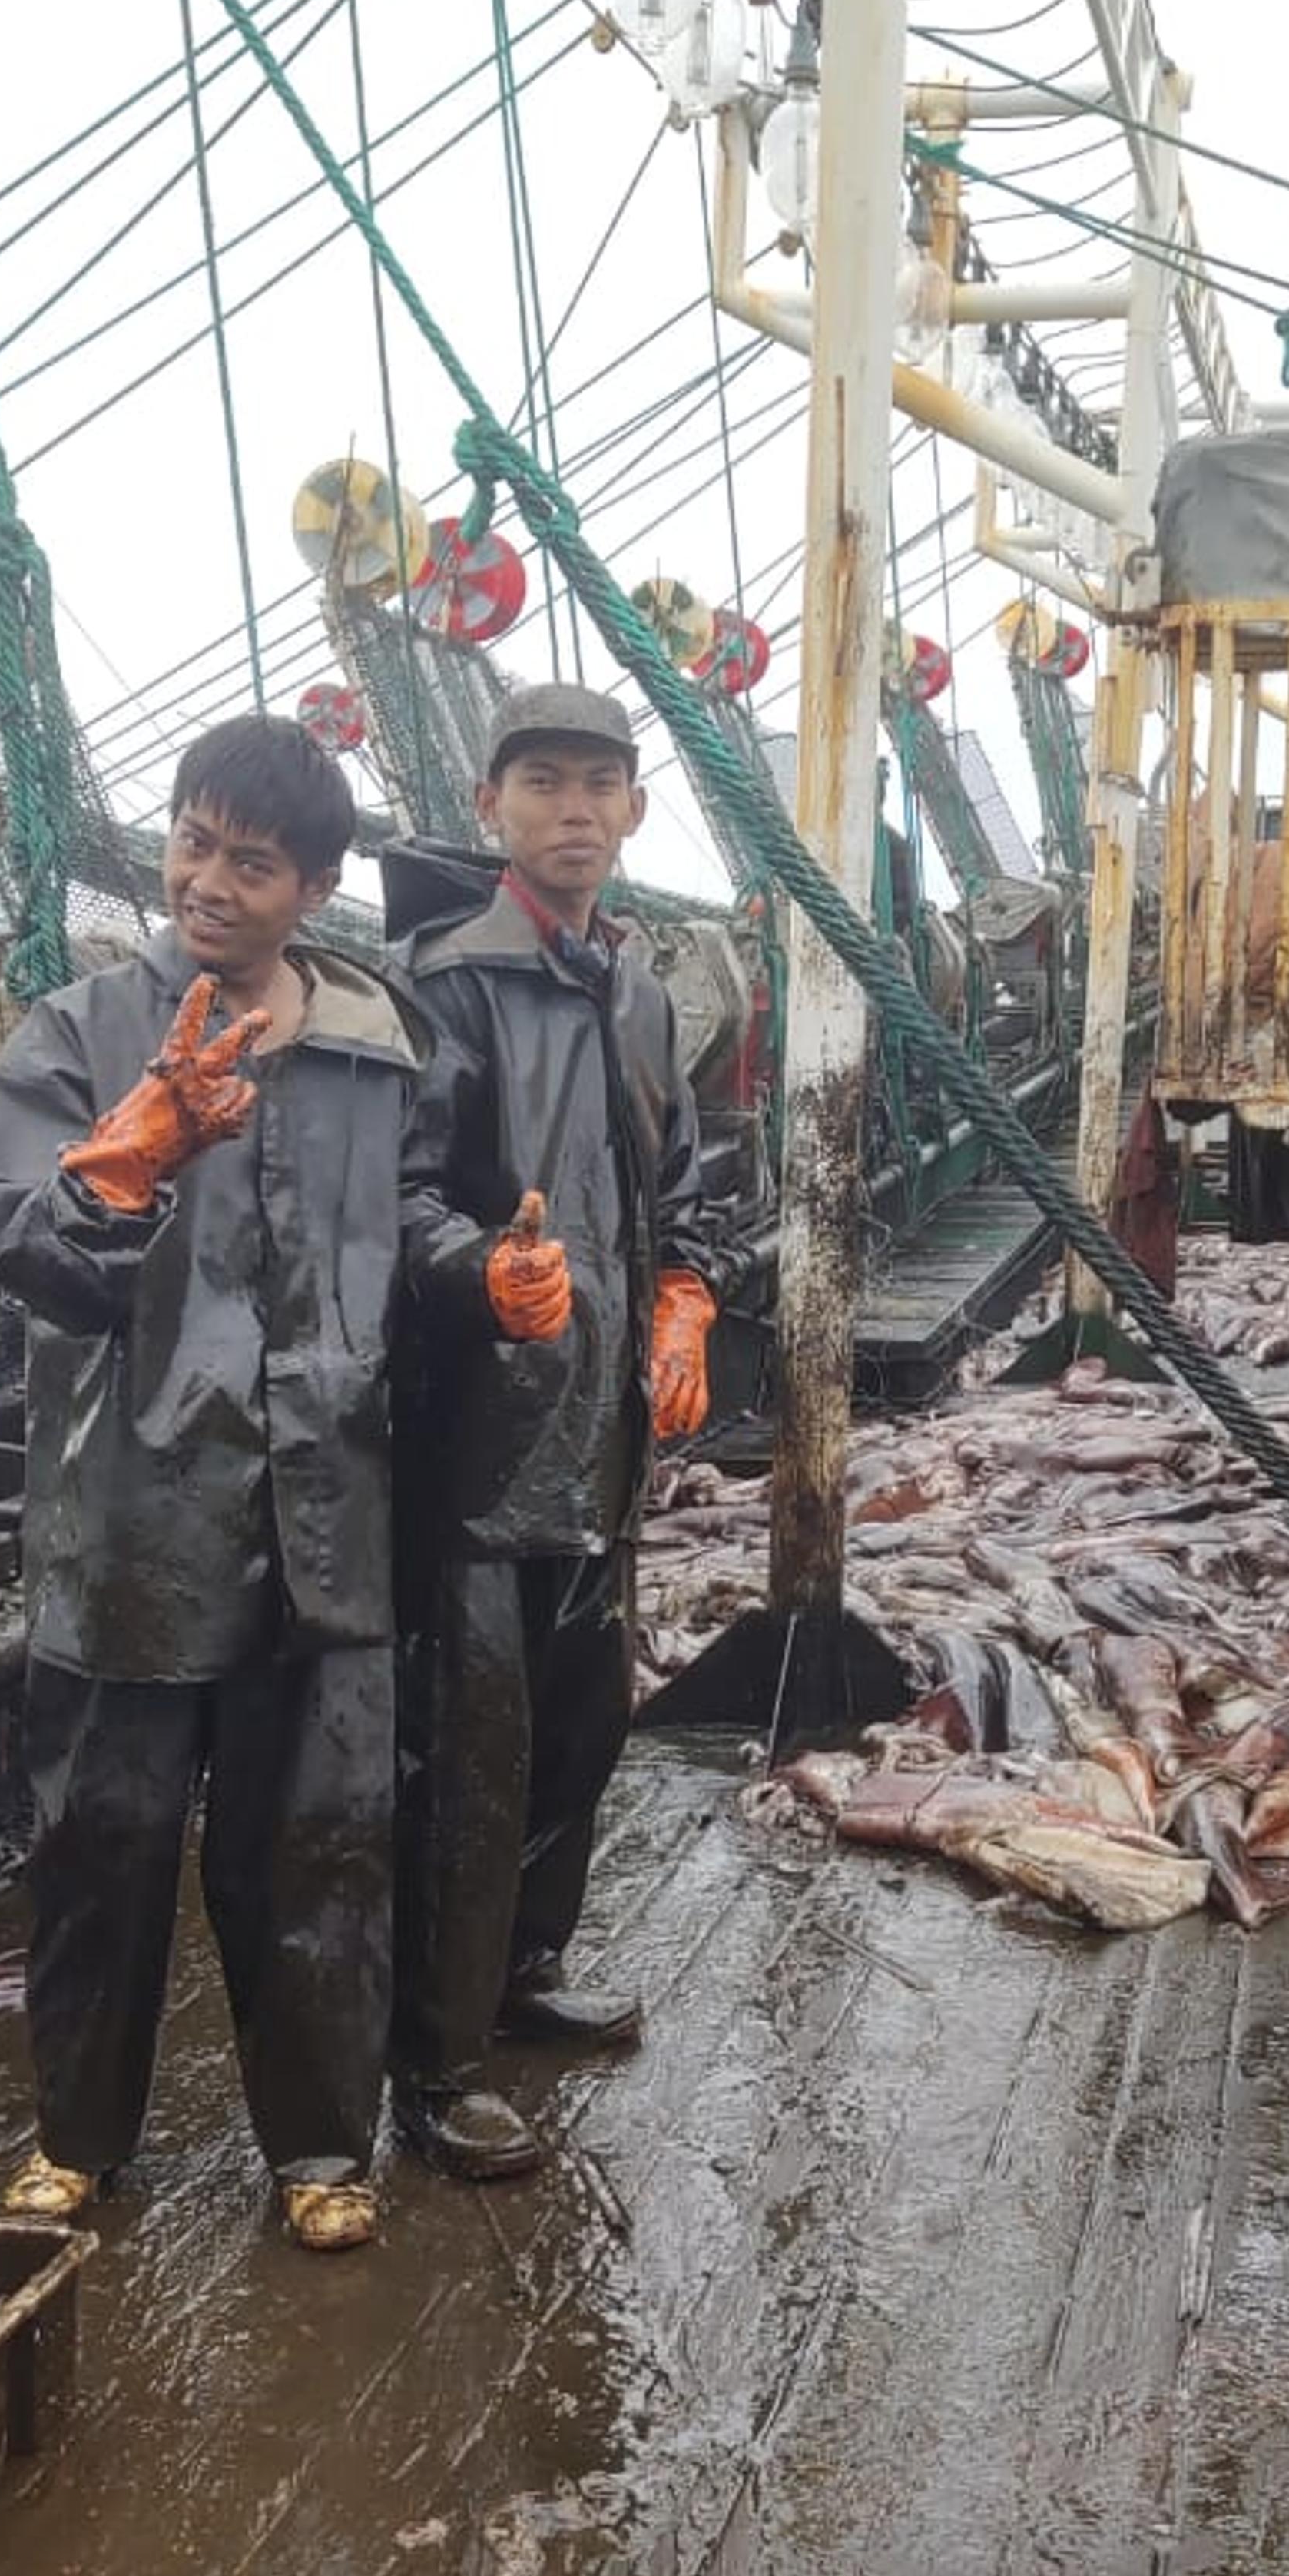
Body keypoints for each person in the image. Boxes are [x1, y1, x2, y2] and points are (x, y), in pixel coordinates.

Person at [0, 712, 447, 2255]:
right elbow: (9, 1236)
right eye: (192, 842)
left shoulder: (375, 1050)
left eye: (254, 863)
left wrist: (483, 1277)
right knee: (100, 1844)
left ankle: (321, 2148)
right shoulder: (80, 1031)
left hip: (325, 1516)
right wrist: (121, 1165)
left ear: (315, 889)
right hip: (130, 1516)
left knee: (318, 1847)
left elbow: (412, 1222)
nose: (209, 882)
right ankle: (76, 2139)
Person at [389, 681, 717, 2180]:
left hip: (603, 1439)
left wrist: (687, 1296)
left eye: (598, 785)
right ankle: (433, 2062)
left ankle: (523, 1972)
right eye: (542, 784)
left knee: (578, 1731)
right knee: (466, 1755)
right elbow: (394, 1195)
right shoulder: (443, 986)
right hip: (474, 1446)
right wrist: (475, 1270)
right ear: (490, 807)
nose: (572, 810)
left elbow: (684, 1181)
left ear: (635, 810)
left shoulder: (637, 992)